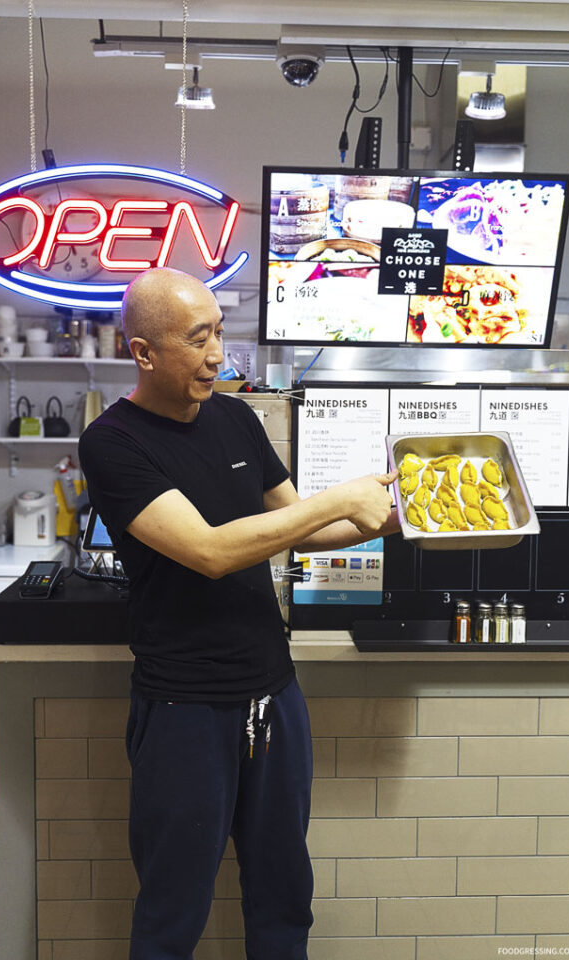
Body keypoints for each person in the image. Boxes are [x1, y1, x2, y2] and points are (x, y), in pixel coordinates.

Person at [78, 267, 399, 960]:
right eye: (198, 339)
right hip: (184, 707)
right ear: (144, 352)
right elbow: (210, 551)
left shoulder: (235, 418)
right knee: (173, 912)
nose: (218, 355)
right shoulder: (113, 442)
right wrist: (340, 497)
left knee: (284, 898)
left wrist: (401, 520)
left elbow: (299, 526)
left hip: (274, 694)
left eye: (220, 333)